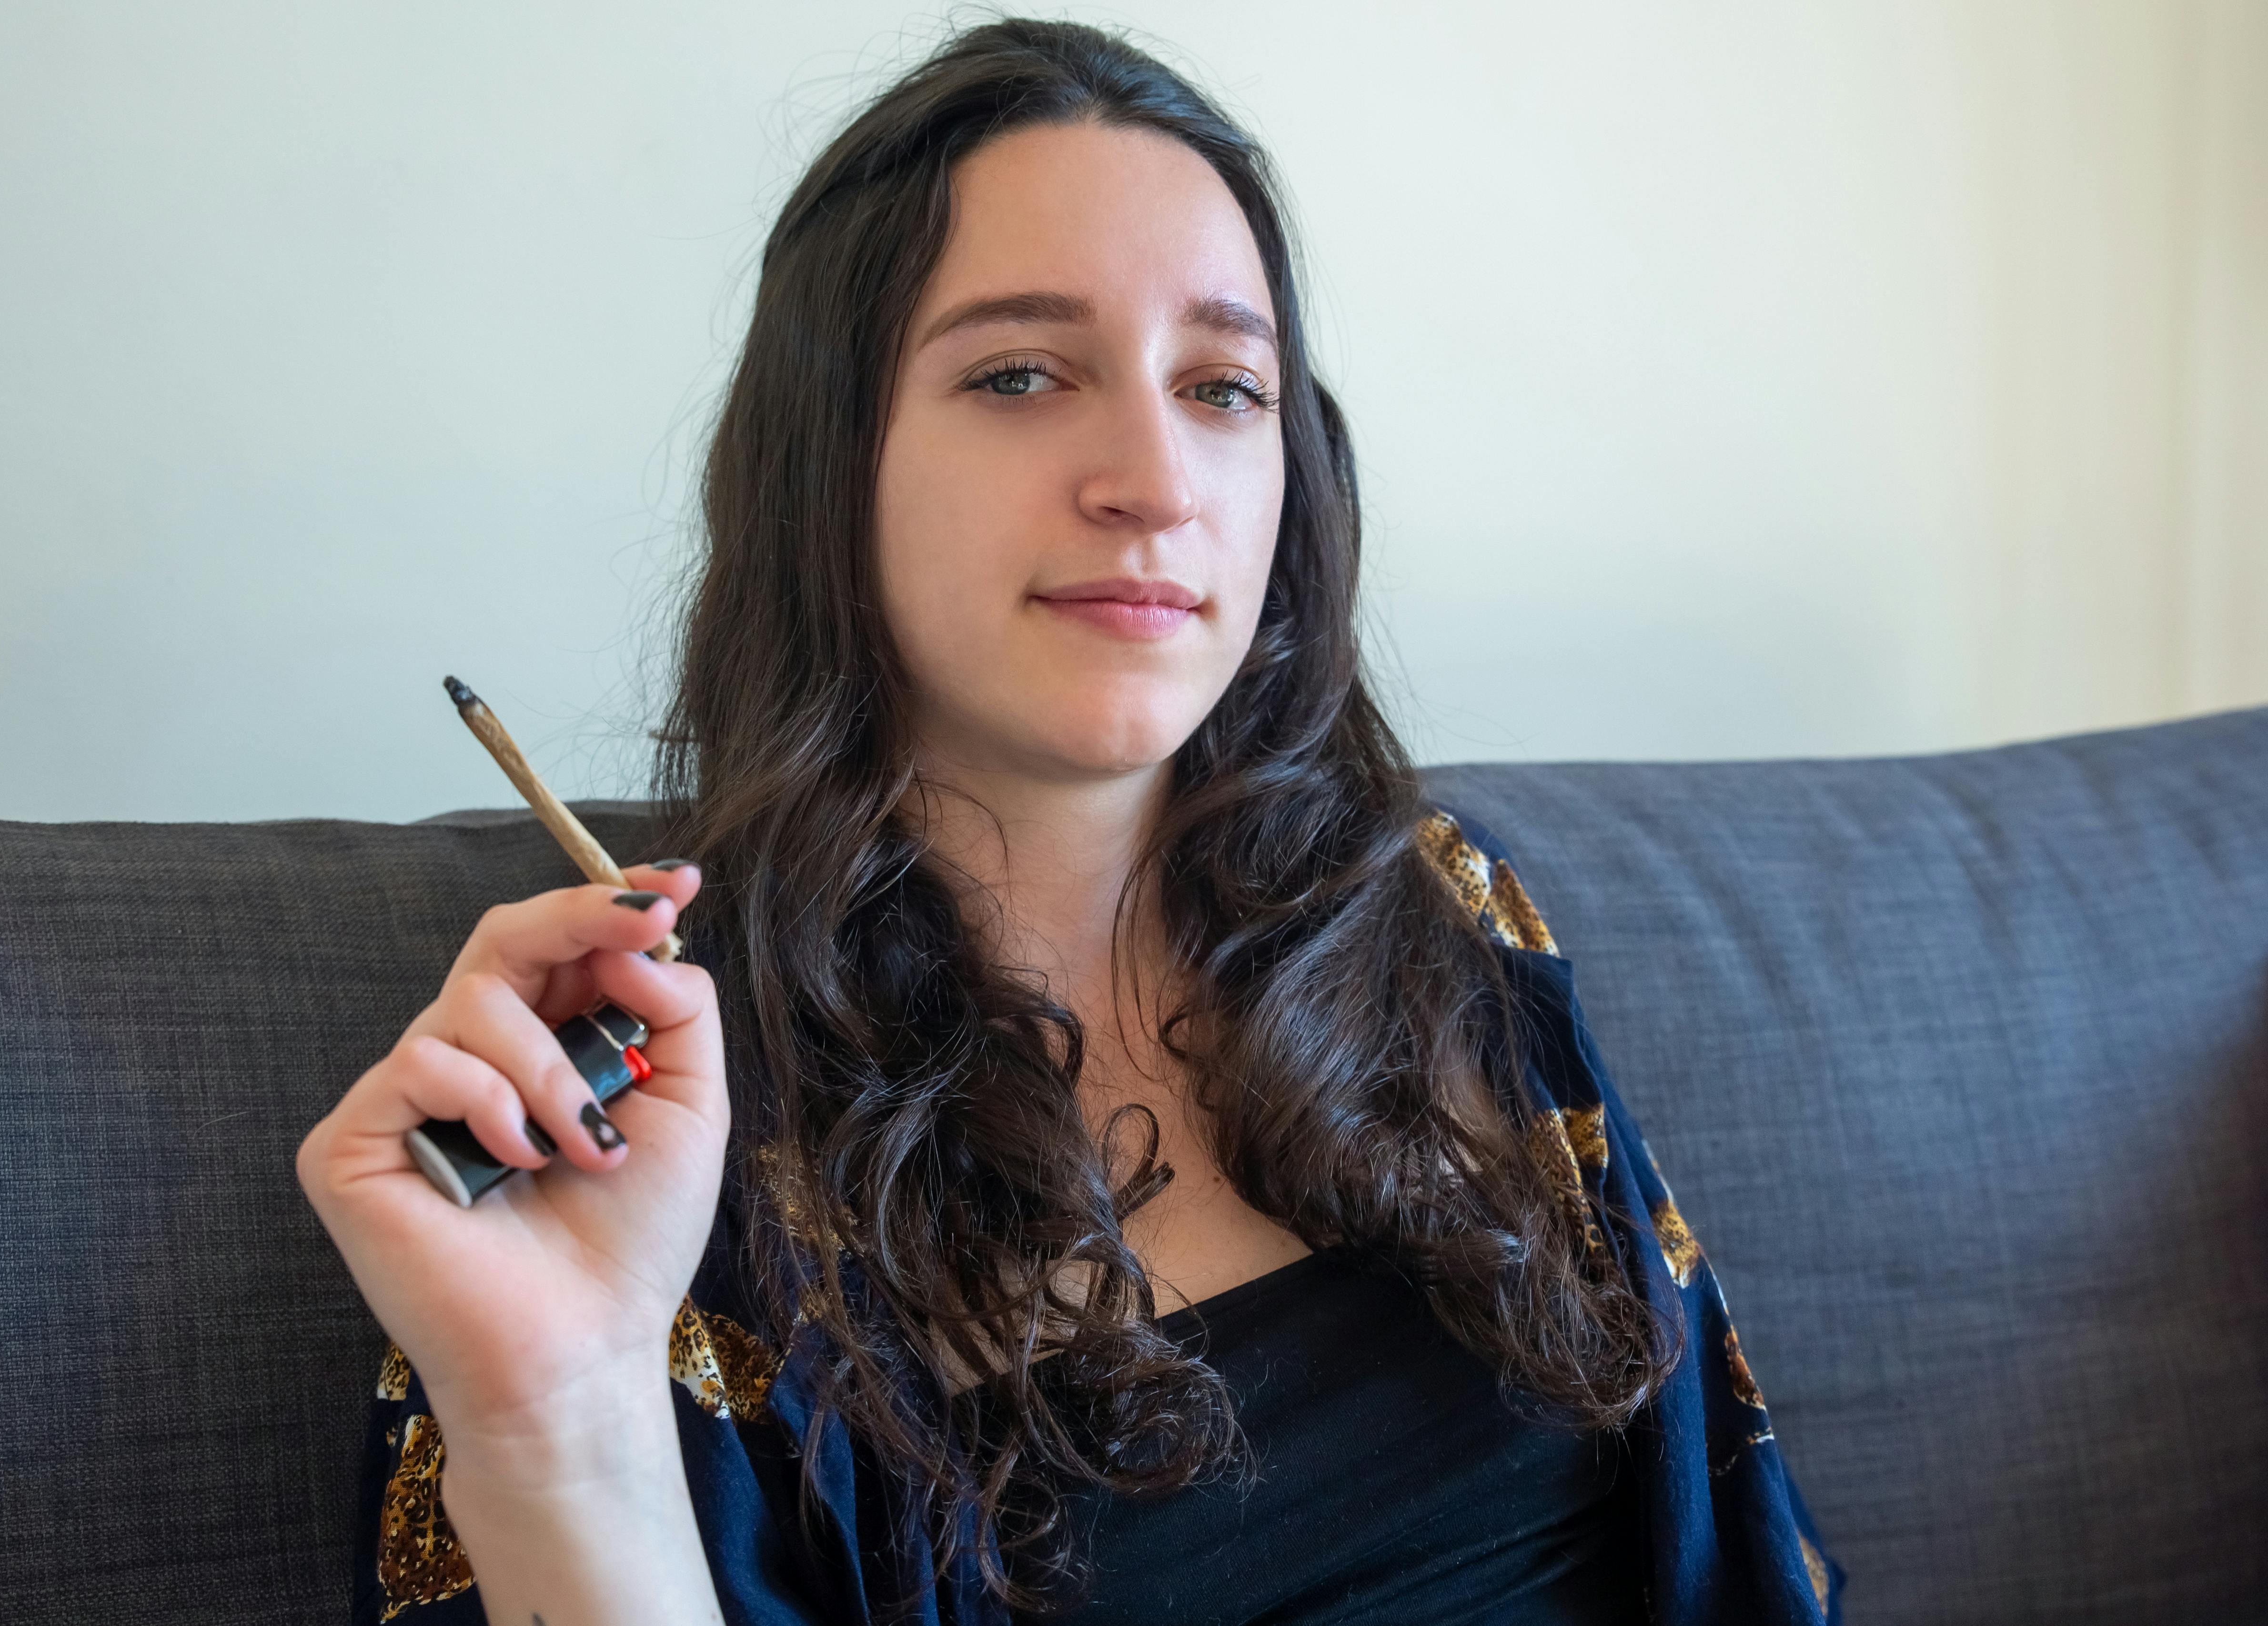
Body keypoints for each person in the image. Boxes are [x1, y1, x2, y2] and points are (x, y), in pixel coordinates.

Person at [298, 20, 1841, 1625]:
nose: (1153, 481)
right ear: (827, 459)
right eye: (1019, 375)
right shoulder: (643, 1100)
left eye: (1223, 387)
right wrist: (555, 1421)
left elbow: (1723, 1540)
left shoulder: (1438, 904)